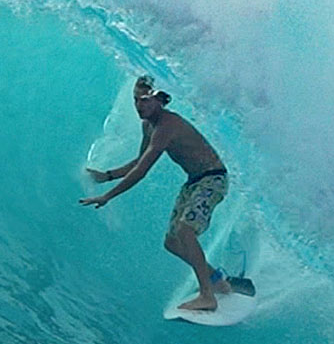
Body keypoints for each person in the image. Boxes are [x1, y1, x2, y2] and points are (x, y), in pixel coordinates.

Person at [82, 77, 251, 313]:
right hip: (194, 182)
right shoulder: (149, 126)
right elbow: (140, 160)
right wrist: (107, 175)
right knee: (172, 242)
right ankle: (217, 281)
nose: (138, 106)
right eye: (135, 100)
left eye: (144, 100)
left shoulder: (167, 126)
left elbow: (142, 171)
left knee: (185, 231)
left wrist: (107, 196)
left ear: (159, 101)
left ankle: (207, 296)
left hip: (213, 178)